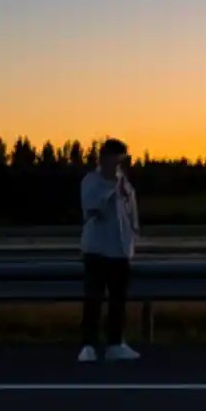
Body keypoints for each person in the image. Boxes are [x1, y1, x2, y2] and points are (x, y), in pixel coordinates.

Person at [77, 138, 142, 362]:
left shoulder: (124, 183)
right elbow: (92, 209)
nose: (119, 163)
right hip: (97, 250)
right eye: (116, 157)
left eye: (121, 158)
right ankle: (88, 346)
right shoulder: (91, 181)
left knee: (117, 301)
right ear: (104, 158)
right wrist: (110, 186)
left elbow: (131, 210)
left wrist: (134, 235)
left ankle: (115, 343)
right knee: (93, 300)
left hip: (120, 250)